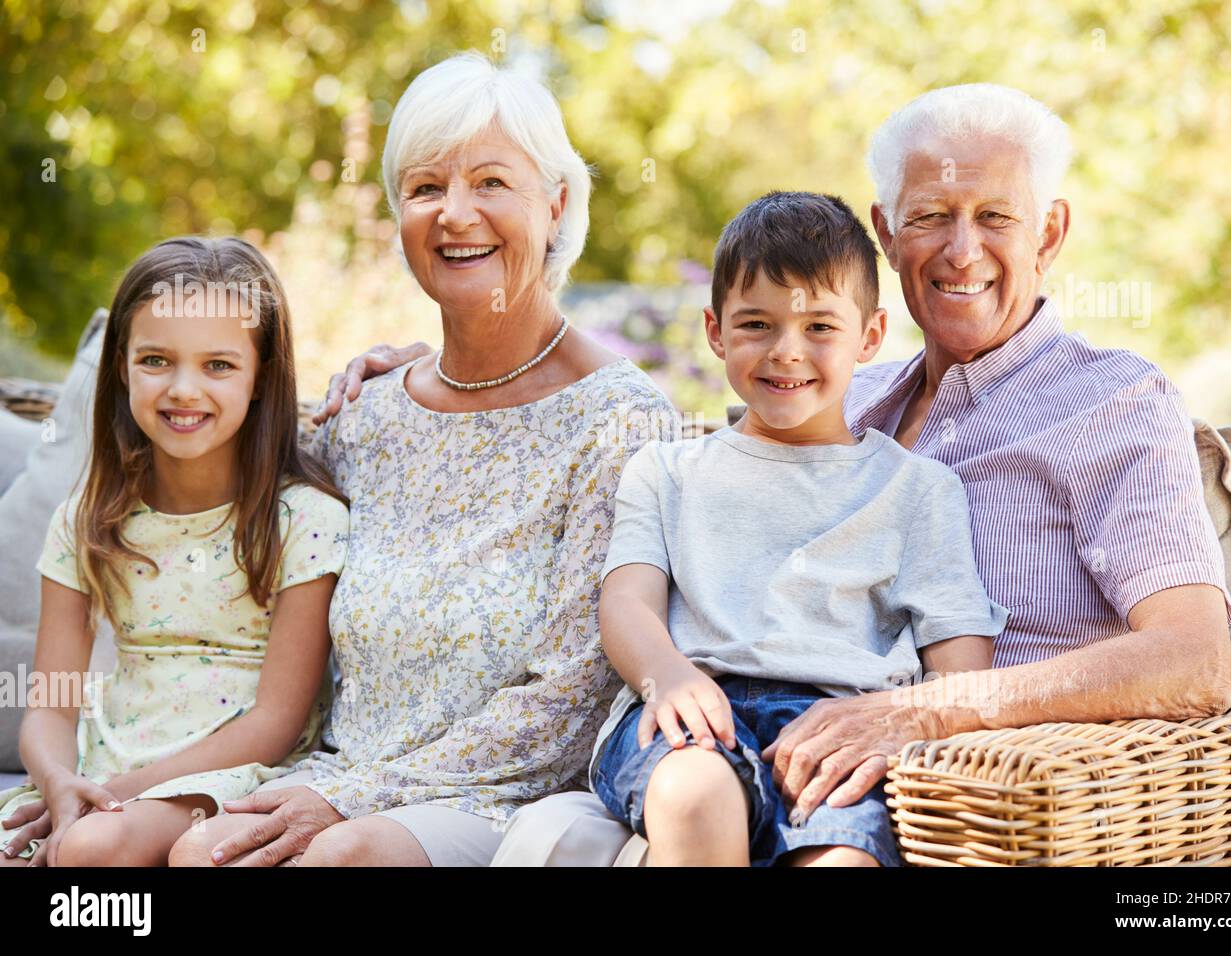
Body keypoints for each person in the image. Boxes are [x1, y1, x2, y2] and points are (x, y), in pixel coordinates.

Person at [488, 83, 1231, 866]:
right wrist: (453, 365)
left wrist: (930, 711)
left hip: (987, 801)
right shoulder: (848, 390)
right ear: (885, 232)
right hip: (735, 756)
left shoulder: (1112, 402)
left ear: (1049, 232)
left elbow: (1194, 659)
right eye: (929, 216)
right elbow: (707, 463)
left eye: (995, 216)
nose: (961, 249)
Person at [166, 51, 678, 868]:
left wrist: (347, 800)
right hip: (342, 775)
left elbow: (570, 702)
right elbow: (230, 473)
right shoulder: (368, 415)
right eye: (426, 187)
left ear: (557, 204)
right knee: (203, 856)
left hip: (511, 797)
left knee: (335, 861)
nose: (455, 214)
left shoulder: (622, 422)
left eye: (491, 183)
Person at [590, 191, 1006, 867]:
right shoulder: (666, 471)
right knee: (698, 797)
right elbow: (628, 598)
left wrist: (923, 732)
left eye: (819, 327)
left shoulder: (918, 490)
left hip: (842, 722)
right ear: (716, 330)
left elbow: (958, 654)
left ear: (870, 337)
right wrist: (664, 675)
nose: (787, 352)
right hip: (694, 706)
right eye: (757, 323)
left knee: (844, 862)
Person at [0, 236, 349, 867]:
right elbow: (49, 705)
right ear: (123, 368)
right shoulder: (86, 519)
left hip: (227, 776)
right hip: (101, 775)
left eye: (218, 365)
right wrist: (58, 782)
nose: (184, 389)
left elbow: (275, 722)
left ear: (260, 377)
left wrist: (110, 801)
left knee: (90, 849)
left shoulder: (306, 520)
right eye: (157, 360)